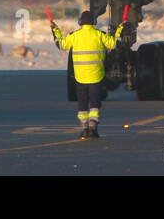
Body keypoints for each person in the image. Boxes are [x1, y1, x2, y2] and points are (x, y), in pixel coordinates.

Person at [51, 10, 124, 139]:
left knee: (82, 104)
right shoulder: (99, 34)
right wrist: (119, 31)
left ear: (80, 22)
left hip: (80, 77)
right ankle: (93, 127)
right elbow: (115, 44)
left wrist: (55, 31)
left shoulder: (75, 35)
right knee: (95, 104)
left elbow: (61, 44)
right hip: (96, 76)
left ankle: (84, 129)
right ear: (94, 22)